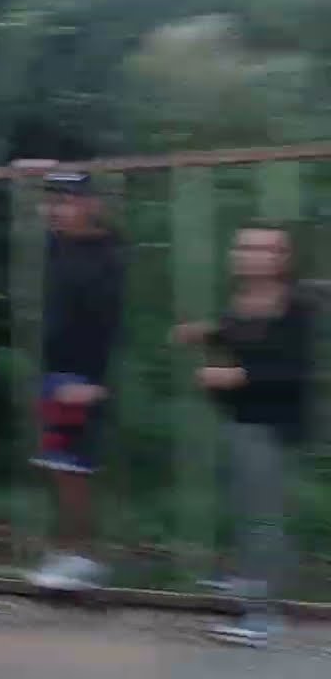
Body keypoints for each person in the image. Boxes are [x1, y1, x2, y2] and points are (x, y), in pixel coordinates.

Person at [171, 219, 313, 648]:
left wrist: (235, 375)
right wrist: (207, 332)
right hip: (241, 423)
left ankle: (262, 616)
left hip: (269, 426)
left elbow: (293, 370)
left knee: (262, 522)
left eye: (265, 249)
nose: (252, 255)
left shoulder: (294, 306)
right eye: (245, 247)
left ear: (282, 259)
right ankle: (250, 581)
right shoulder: (245, 301)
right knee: (249, 510)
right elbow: (242, 335)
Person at [24, 171, 125, 592]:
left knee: (74, 471)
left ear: (91, 205)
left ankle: (83, 558)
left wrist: (95, 382)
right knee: (61, 468)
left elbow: (111, 325)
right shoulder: (57, 245)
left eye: (67, 201)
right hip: (56, 374)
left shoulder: (109, 255)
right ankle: (69, 554)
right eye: (53, 202)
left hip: (81, 377)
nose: (56, 210)